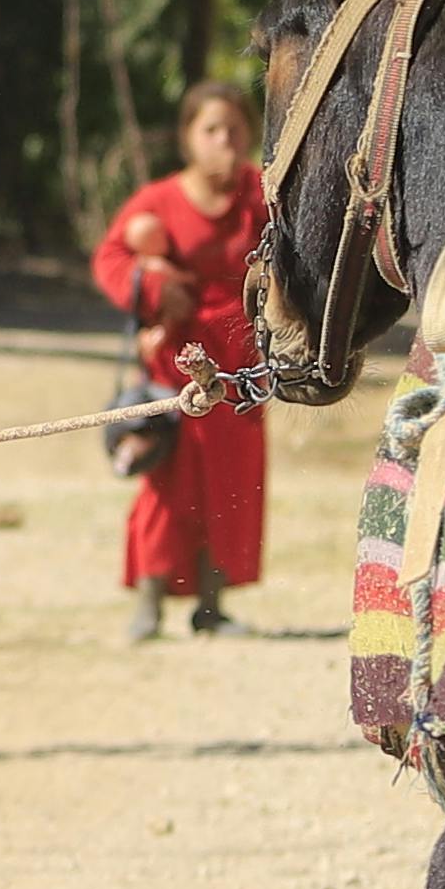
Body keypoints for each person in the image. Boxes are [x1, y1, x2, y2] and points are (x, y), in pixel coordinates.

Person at [93, 82, 273, 639]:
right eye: (211, 129)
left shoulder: (264, 194)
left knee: (232, 483)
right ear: (188, 138)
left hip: (241, 366)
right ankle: (149, 604)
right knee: (167, 484)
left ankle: (212, 607)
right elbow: (111, 258)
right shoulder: (160, 199)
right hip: (177, 365)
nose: (224, 140)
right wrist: (152, 288)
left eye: (235, 129)